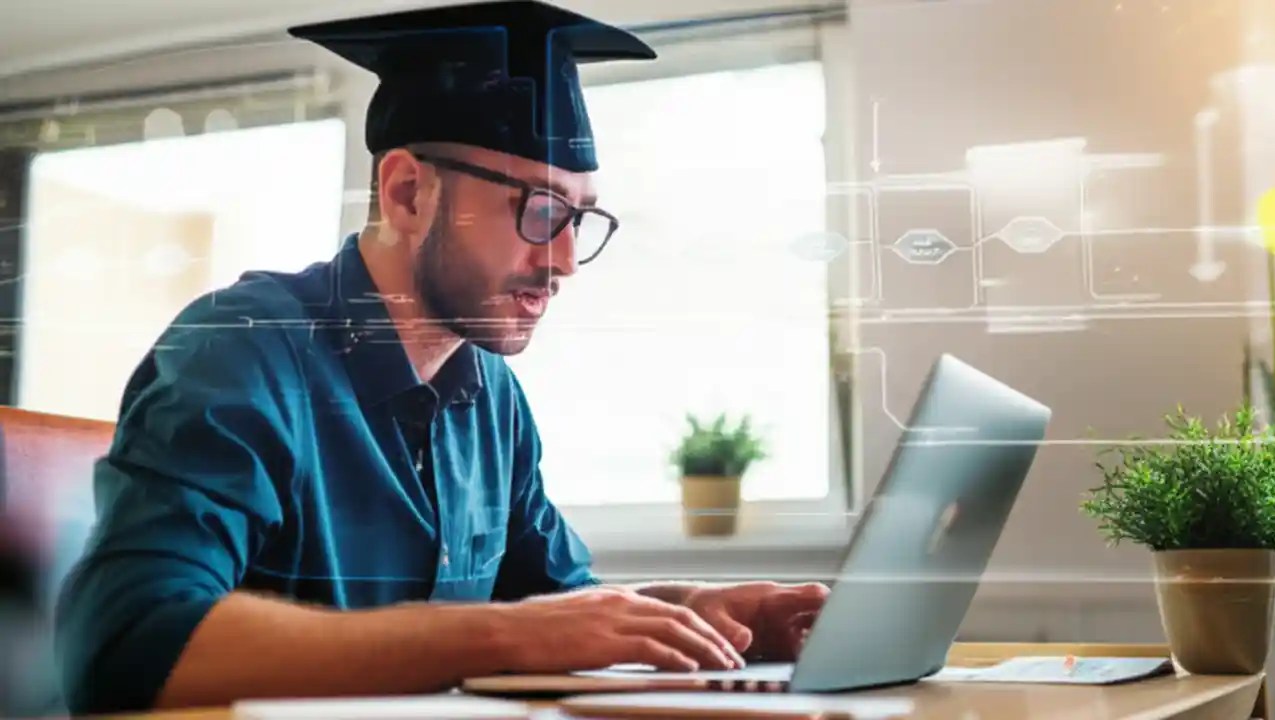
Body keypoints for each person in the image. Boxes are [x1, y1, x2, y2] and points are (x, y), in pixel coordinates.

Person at [53, 0, 829, 714]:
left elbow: (556, 606)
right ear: (407, 194)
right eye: (539, 210)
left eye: (579, 219)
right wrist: (497, 635)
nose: (564, 261)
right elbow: (128, 644)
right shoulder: (239, 353)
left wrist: (693, 612)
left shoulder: (491, 395)